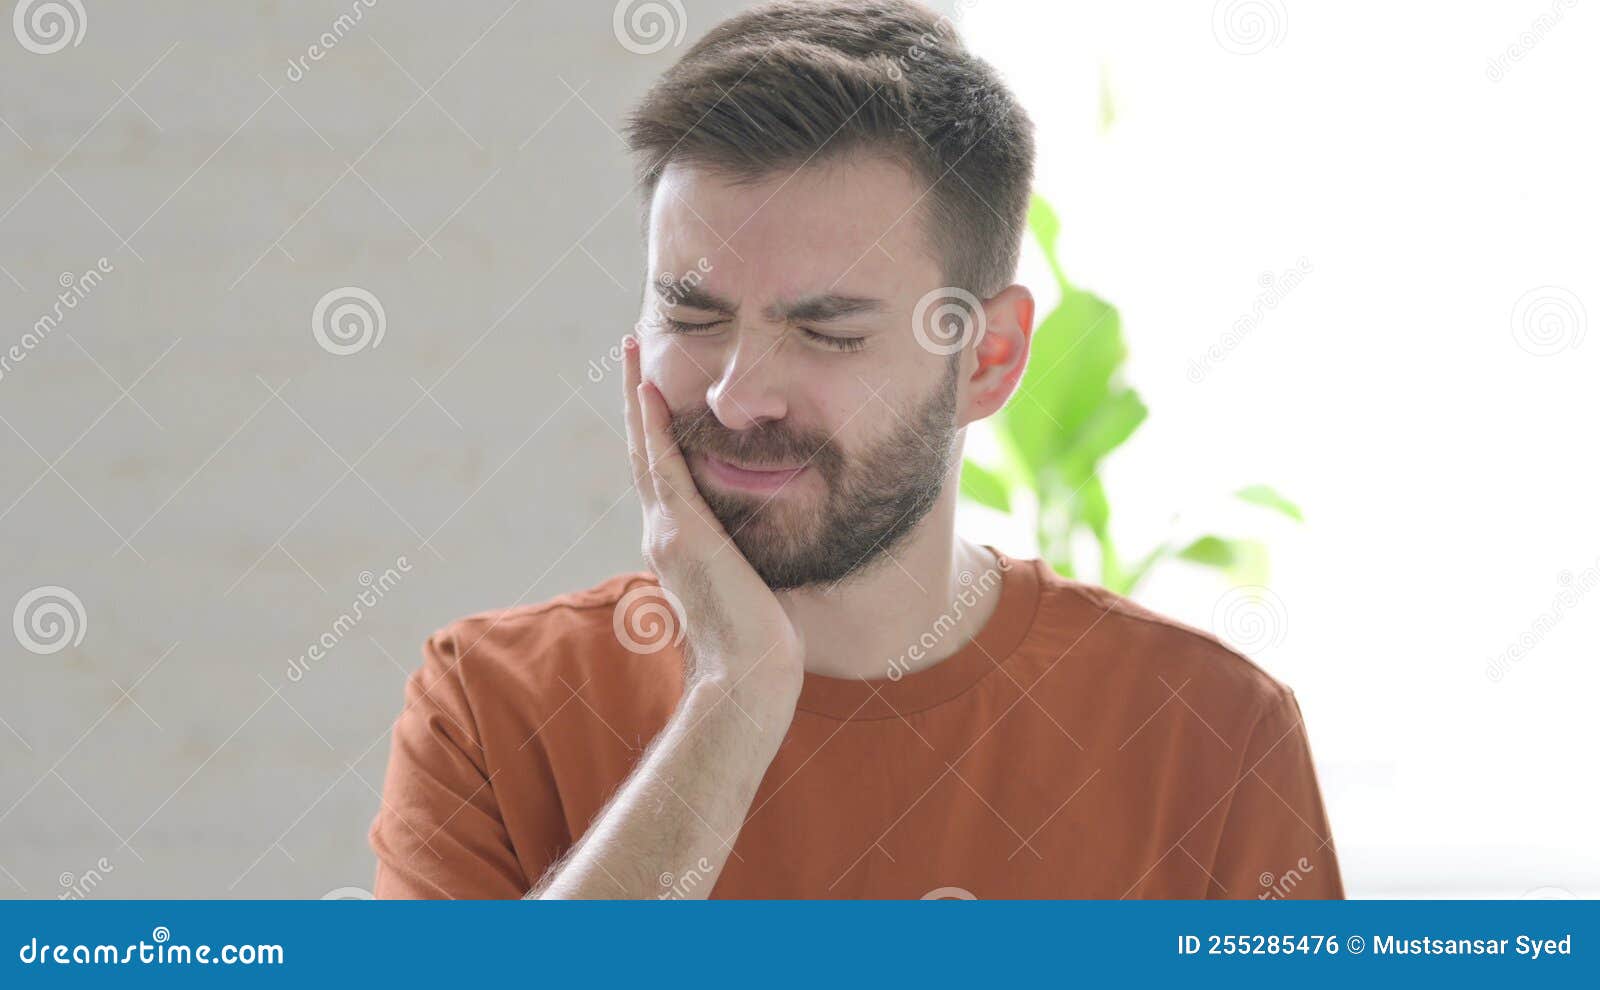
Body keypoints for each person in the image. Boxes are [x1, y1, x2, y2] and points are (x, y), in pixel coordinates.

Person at [369, 0, 1343, 899]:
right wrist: (733, 697)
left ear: (988, 357)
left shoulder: (1205, 732)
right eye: (692, 314)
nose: (737, 394)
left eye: (828, 332)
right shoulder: (491, 708)